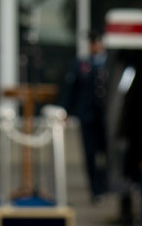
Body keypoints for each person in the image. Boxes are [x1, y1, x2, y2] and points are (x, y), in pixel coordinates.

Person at [60, 30, 108, 204]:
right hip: (87, 116)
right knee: (90, 154)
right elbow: (71, 89)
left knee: (107, 154)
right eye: (92, 43)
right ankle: (95, 190)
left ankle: (105, 185)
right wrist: (65, 111)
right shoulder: (81, 64)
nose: (95, 46)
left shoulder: (109, 63)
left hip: (106, 118)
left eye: (98, 42)